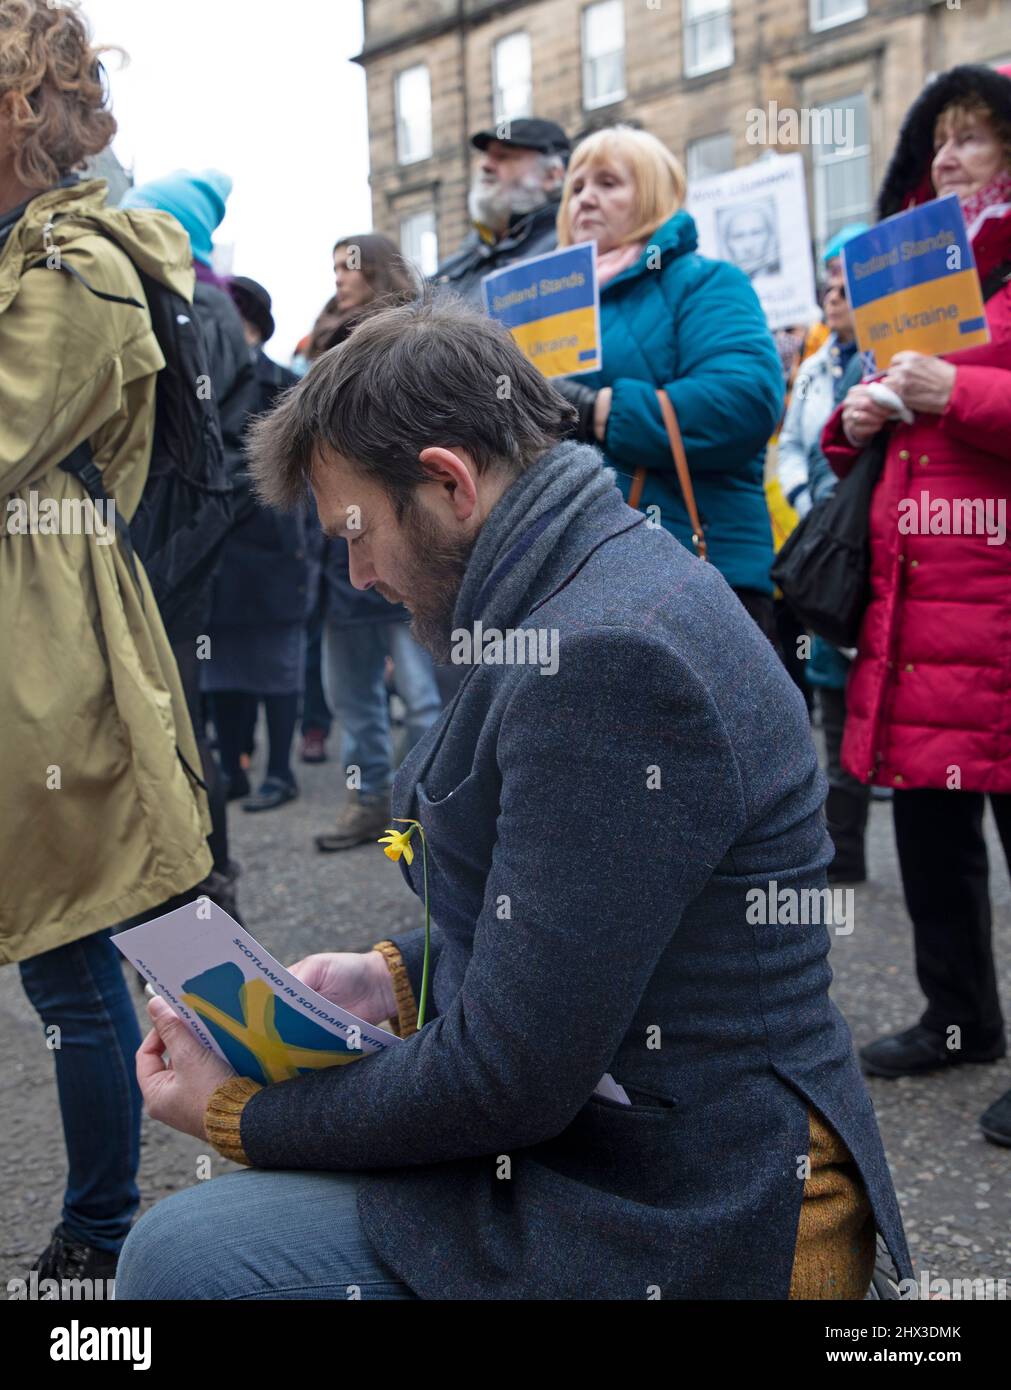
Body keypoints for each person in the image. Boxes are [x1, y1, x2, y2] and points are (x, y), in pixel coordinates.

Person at [115, 295, 911, 1302]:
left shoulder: (603, 660)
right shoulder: (580, 586)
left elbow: (507, 1078)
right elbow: (591, 922)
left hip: (702, 1207)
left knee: (182, 1255)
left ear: (447, 482)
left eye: (358, 534)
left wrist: (239, 1113)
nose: (356, 574)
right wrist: (392, 977)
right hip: (638, 1143)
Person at [0, 0, 212, 1284]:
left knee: (105, 943)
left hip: (61, 649)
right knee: (99, 937)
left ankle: (104, 1232)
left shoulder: (76, 265)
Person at [820, 64, 1011, 1145]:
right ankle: (958, 1018)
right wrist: (860, 414)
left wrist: (962, 390)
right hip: (921, 598)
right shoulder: (918, 273)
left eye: (976, 137)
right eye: (939, 137)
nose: (948, 156)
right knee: (934, 832)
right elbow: (879, 441)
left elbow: (970, 407)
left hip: (998, 598)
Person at [551, 126, 784, 642]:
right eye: (577, 186)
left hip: (693, 572)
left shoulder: (705, 281)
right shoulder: (545, 306)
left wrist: (598, 411)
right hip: (567, 575)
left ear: (654, 195)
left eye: (609, 183)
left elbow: (744, 401)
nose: (586, 198)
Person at [119, 168, 257, 909]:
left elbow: (197, 455)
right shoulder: (199, 301)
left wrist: (160, 559)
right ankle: (190, 901)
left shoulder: (193, 305)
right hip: (171, 540)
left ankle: (200, 902)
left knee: (171, 728)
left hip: (169, 545)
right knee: (170, 722)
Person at [307, 234, 443, 853]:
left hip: (397, 538)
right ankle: (368, 803)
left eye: (349, 264)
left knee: (420, 694)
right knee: (350, 695)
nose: (339, 275)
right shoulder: (322, 337)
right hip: (339, 557)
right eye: (333, 265)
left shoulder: (409, 331)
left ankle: (428, 815)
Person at [778, 224, 871, 882]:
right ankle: (843, 844)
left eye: (843, 287)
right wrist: (804, 505)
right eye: (825, 287)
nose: (830, 297)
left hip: (878, 542)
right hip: (825, 546)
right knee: (831, 689)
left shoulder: (890, 354)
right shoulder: (813, 366)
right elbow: (791, 441)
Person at [200, 274, 310, 812]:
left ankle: (280, 771)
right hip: (217, 551)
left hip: (269, 546)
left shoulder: (285, 386)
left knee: (276, 664)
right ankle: (231, 770)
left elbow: (289, 473)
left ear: (255, 327)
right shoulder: (203, 381)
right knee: (219, 663)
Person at [431, 116, 569, 306]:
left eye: (503, 156)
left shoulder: (566, 248)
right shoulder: (467, 253)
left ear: (552, 176)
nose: (485, 165)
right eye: (486, 156)